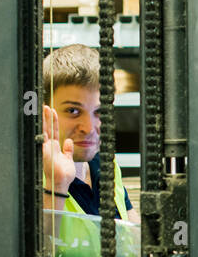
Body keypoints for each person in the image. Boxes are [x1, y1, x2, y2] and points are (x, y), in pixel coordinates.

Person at [40, 44, 136, 221]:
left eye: (99, 112)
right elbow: (37, 247)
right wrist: (57, 186)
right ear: (44, 113)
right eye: (72, 111)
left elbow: (135, 237)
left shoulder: (106, 164)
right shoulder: (31, 179)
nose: (89, 127)